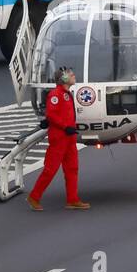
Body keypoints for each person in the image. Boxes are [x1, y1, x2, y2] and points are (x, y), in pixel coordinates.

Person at [27, 66, 89, 211]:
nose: (73, 75)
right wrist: (64, 126)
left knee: (72, 168)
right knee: (51, 169)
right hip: (60, 138)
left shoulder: (66, 94)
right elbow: (52, 115)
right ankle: (34, 197)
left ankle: (72, 199)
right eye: (70, 74)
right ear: (63, 79)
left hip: (69, 137)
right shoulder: (56, 94)